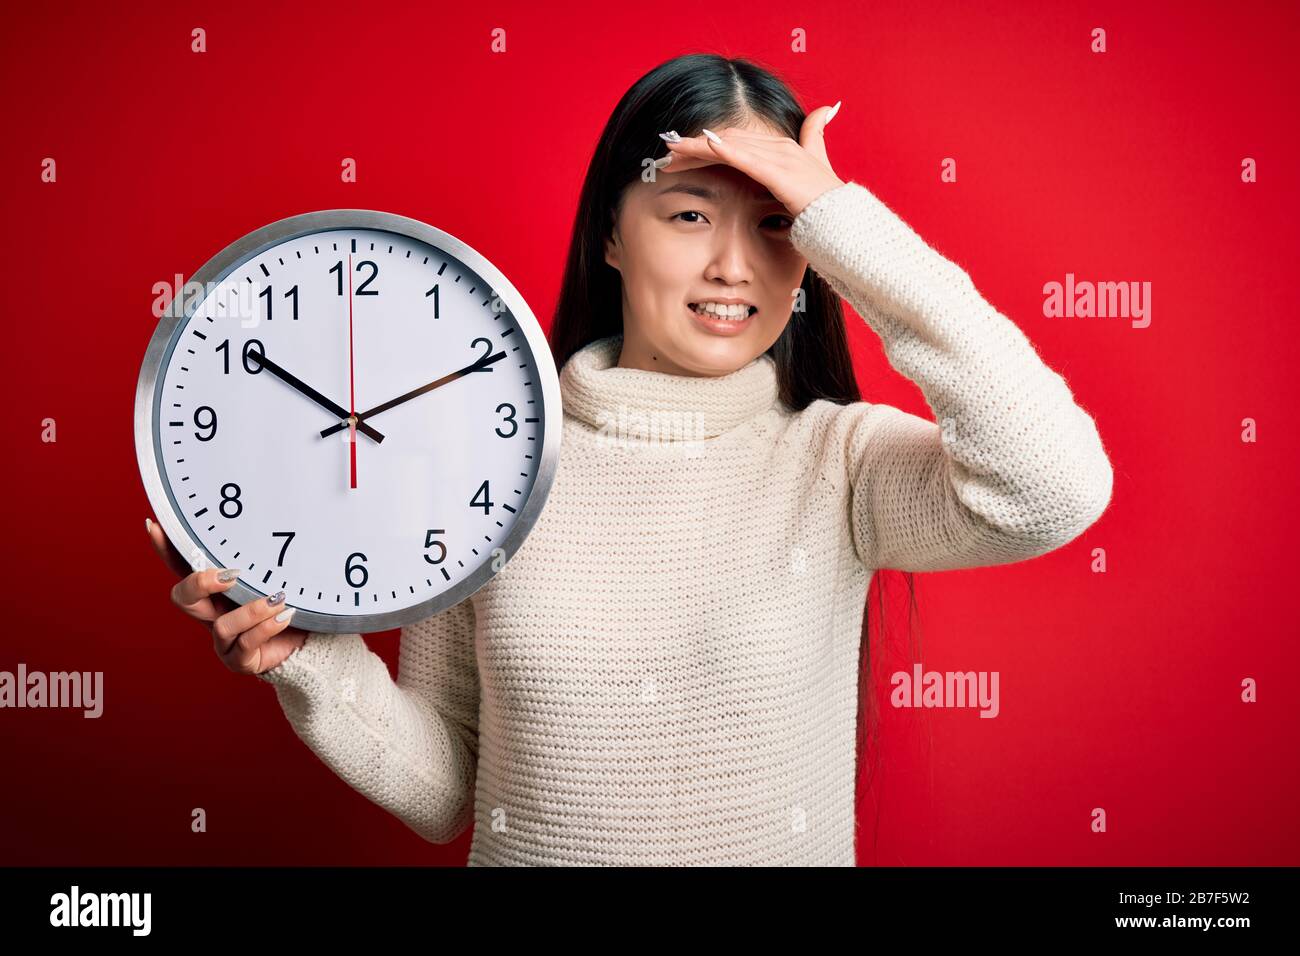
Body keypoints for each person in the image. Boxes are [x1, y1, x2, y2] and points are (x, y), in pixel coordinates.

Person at [147, 53, 1114, 865]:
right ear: (612, 233)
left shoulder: (840, 462)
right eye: (690, 215)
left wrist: (838, 215)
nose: (734, 266)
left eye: (773, 222)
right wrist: (311, 663)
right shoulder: (492, 464)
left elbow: (1053, 487)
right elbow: (447, 789)